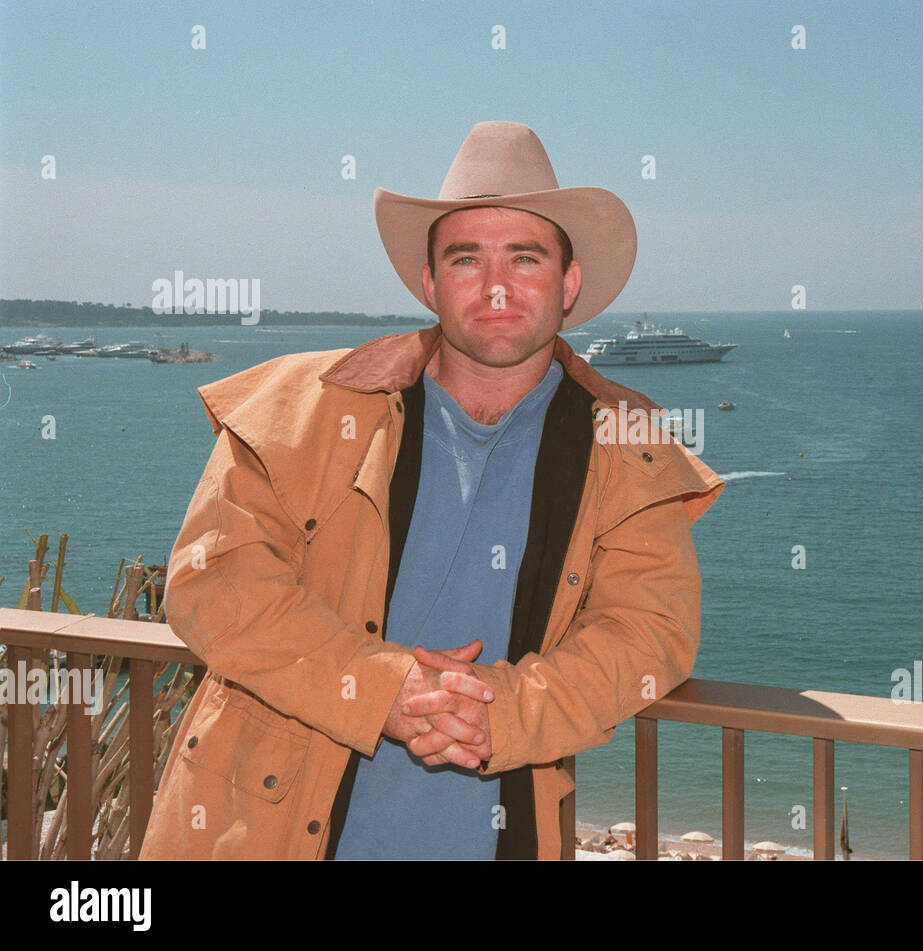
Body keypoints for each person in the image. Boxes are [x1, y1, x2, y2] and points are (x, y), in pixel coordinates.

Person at [139, 121, 724, 859]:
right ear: (430, 281)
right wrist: (384, 689)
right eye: (466, 258)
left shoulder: (627, 446)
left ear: (569, 282)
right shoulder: (305, 406)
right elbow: (210, 580)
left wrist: (505, 715)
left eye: (526, 256)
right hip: (261, 832)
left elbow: (651, 631)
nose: (497, 285)